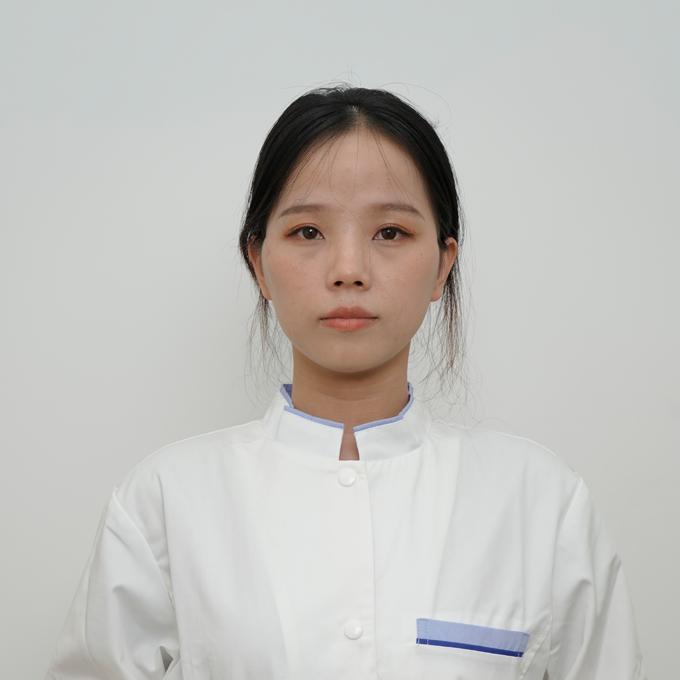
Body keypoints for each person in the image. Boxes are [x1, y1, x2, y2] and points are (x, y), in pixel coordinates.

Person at [44, 85, 647, 679]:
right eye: (308, 232)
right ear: (258, 263)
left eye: (391, 233)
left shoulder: (541, 503)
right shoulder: (165, 502)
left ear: (443, 264)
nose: (349, 270)